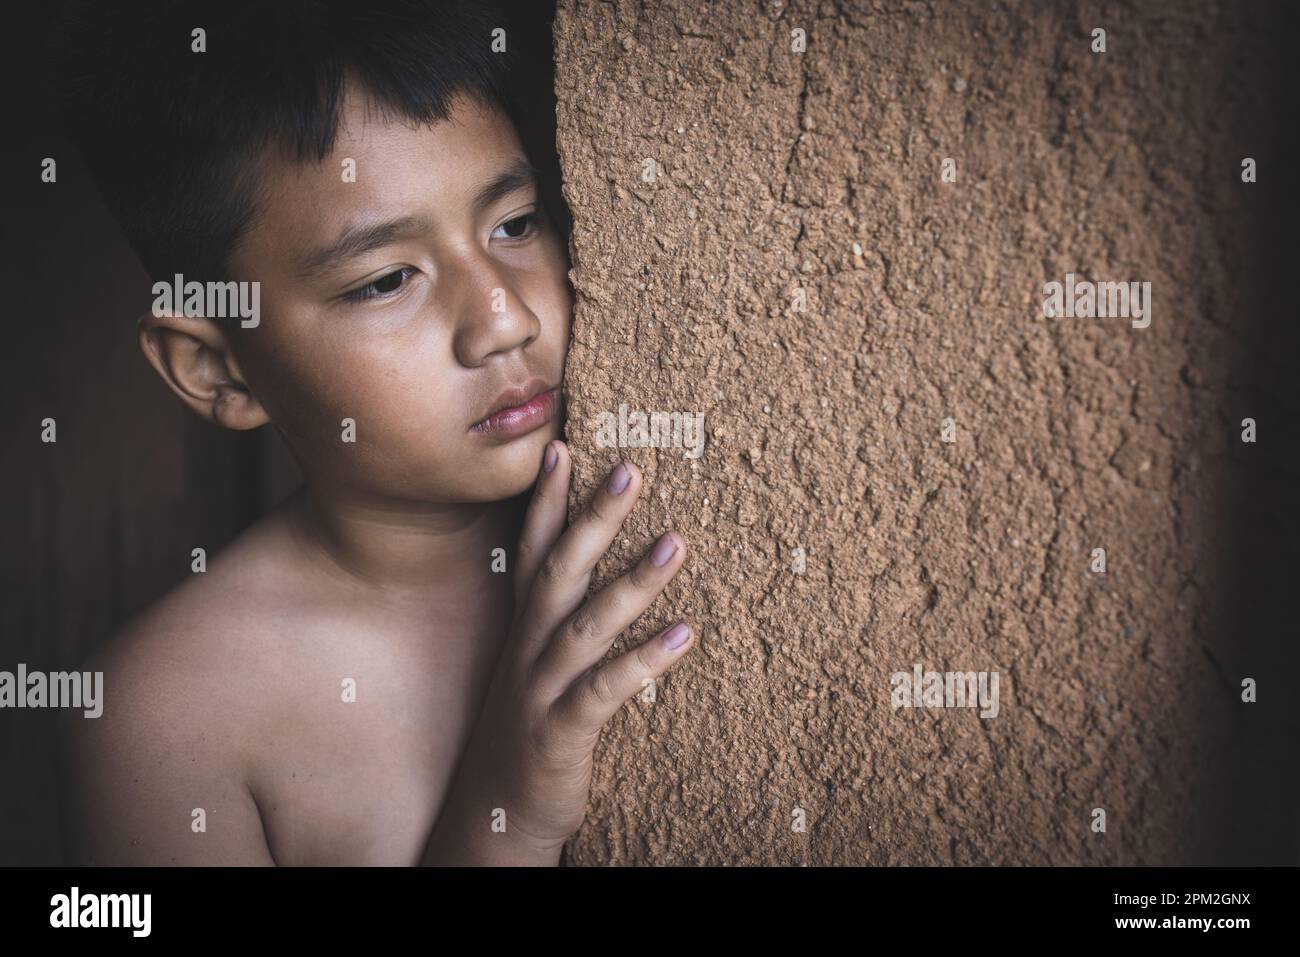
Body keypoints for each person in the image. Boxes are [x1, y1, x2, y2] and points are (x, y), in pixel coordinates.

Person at [54, 0, 695, 865]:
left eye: (514, 223)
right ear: (217, 368)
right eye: (388, 279)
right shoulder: (166, 724)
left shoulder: (645, 530)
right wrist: (509, 810)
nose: (503, 320)